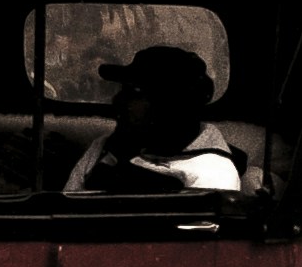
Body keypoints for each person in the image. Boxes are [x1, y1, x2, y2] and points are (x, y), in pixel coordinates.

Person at [66, 45, 244, 194]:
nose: (118, 100)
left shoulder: (213, 171)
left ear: (168, 106)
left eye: (134, 93)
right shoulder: (105, 146)